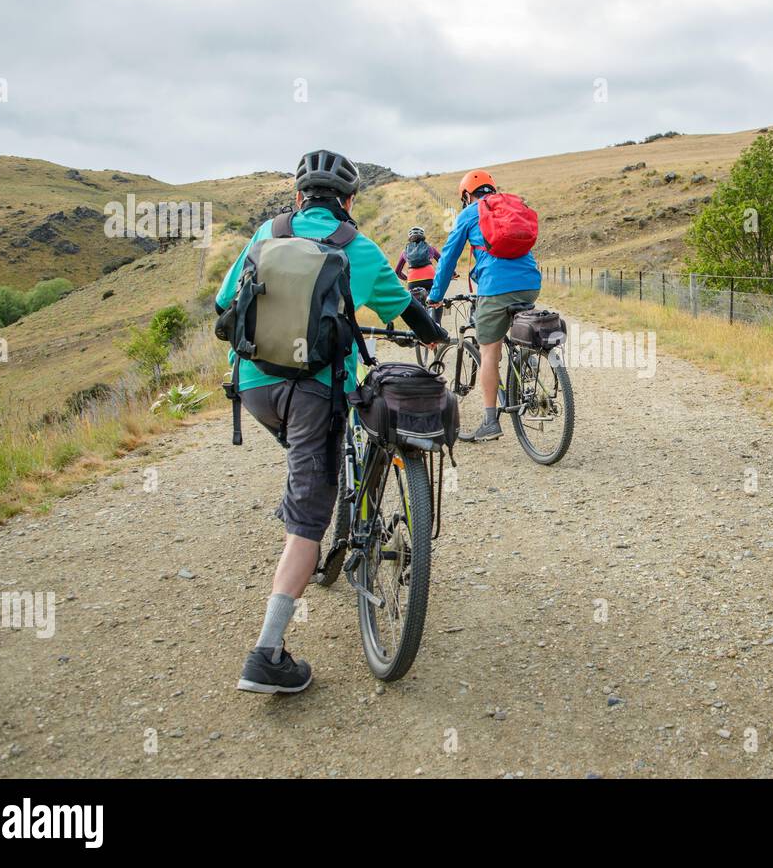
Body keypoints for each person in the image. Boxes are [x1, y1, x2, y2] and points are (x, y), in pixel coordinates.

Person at [215, 149, 447, 694]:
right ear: (348, 202)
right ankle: (266, 656)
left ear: (298, 197)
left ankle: (317, 488)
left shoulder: (264, 234)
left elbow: (225, 305)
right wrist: (434, 334)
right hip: (315, 391)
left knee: (308, 461)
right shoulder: (356, 248)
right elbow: (406, 312)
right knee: (307, 518)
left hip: (253, 386)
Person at [427, 169, 540, 442]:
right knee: (514, 322)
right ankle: (528, 358)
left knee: (489, 350)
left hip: (495, 288)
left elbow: (448, 260)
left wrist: (435, 295)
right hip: (530, 282)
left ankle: (490, 422)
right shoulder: (511, 205)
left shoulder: (468, 214)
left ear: (467, 195)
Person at [395, 226, 441, 297]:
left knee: (415, 305)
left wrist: (406, 278)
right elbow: (443, 262)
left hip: (413, 280)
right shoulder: (430, 248)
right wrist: (453, 273)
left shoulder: (405, 251)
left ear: (410, 238)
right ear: (423, 236)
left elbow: (397, 271)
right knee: (435, 301)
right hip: (430, 278)